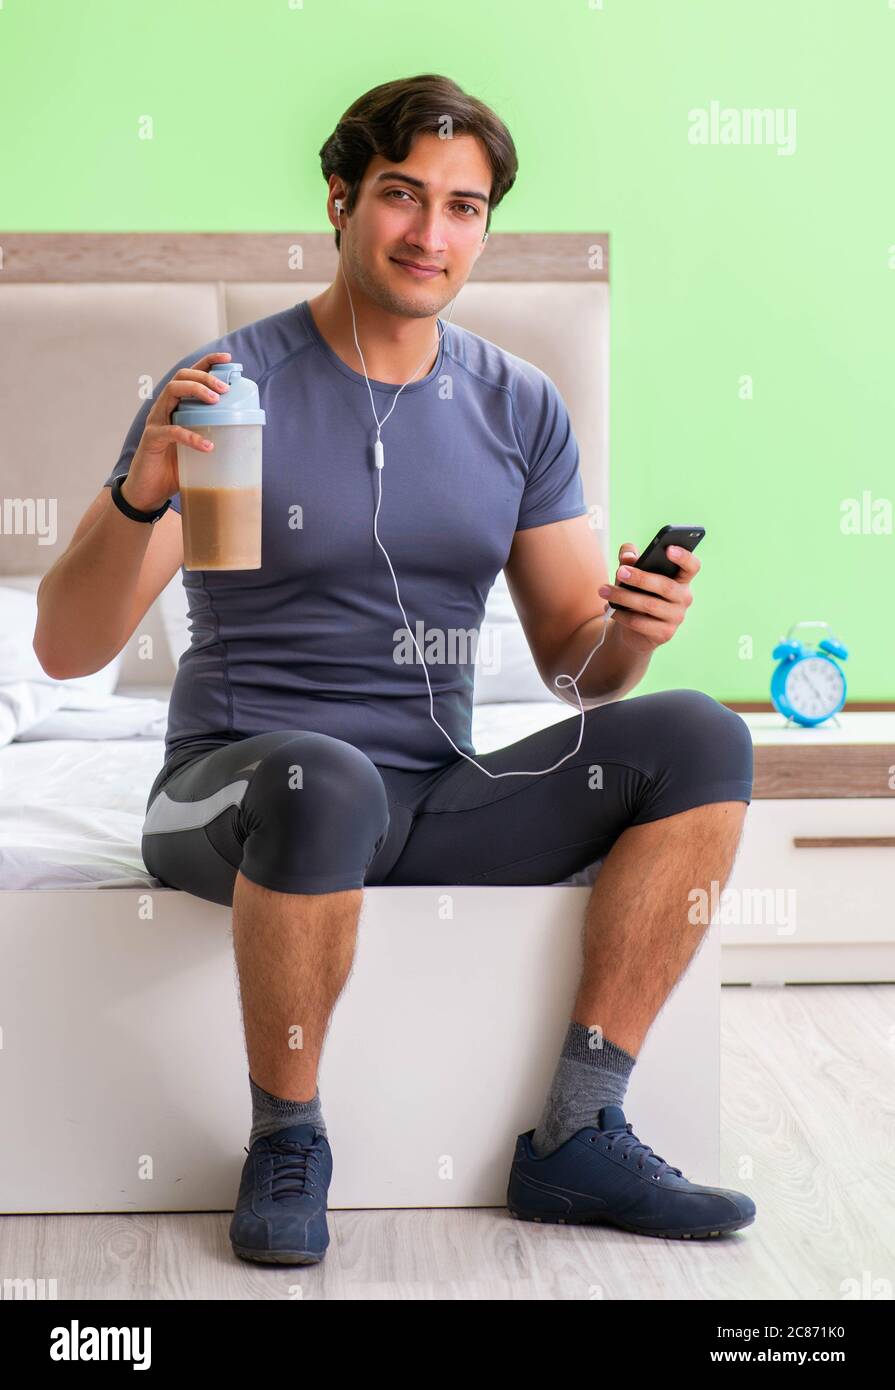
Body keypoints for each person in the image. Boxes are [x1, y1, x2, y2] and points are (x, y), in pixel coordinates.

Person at [33, 73, 755, 1265]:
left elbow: (580, 666)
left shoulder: (518, 406)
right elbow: (66, 646)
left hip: (430, 792)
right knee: (327, 778)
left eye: (464, 207)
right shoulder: (226, 388)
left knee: (705, 737)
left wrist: (637, 623)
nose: (432, 233)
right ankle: (287, 1136)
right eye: (401, 196)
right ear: (339, 200)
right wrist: (140, 488)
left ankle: (579, 1131)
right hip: (235, 791)